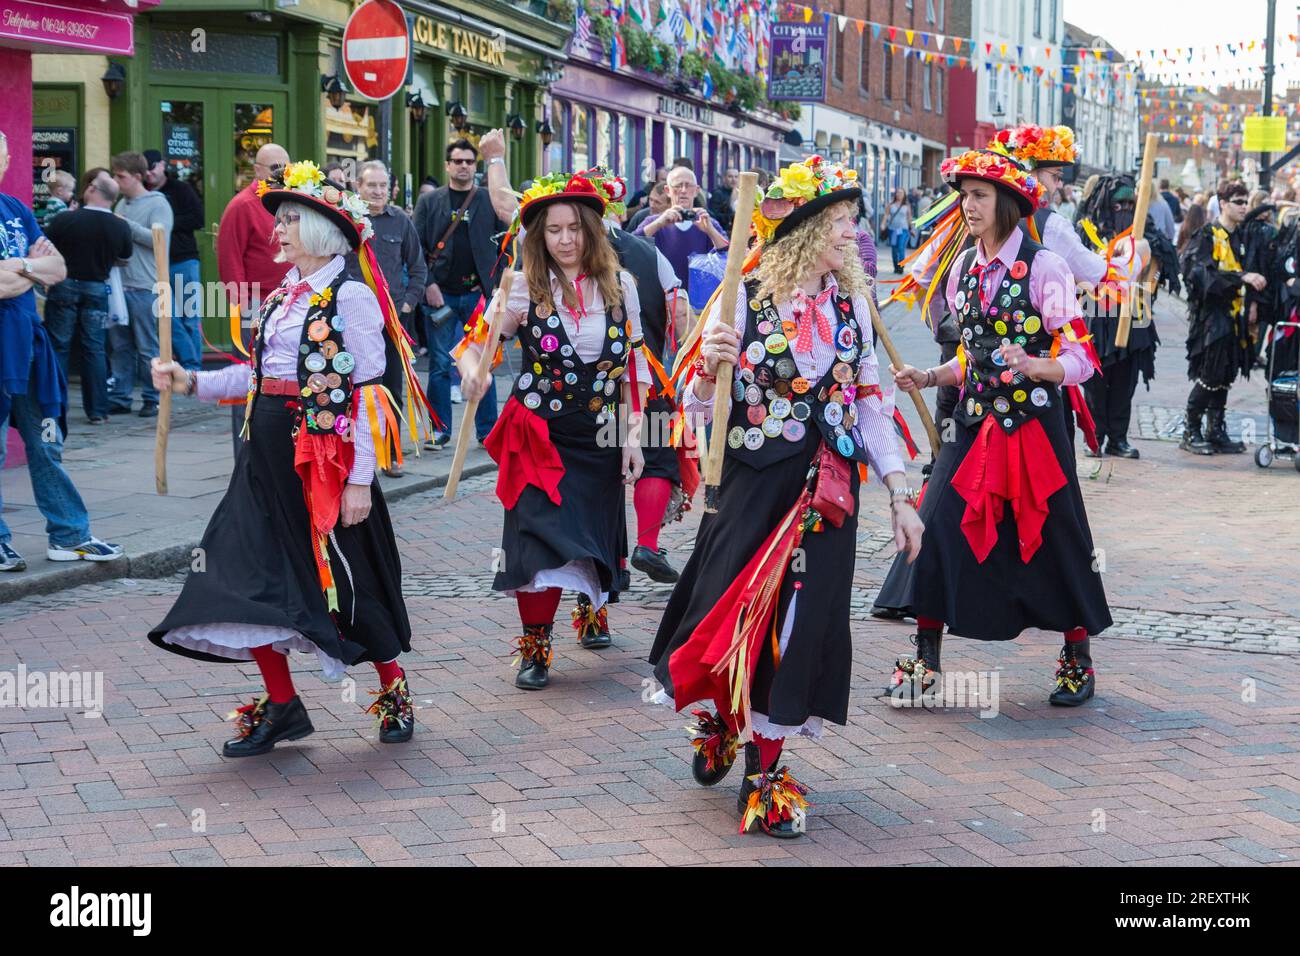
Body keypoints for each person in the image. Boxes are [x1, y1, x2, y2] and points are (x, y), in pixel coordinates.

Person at [650, 157, 922, 839]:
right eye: (840, 224)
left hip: (827, 494)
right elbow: (699, 416)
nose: (852, 236)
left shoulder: (853, 305)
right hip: (751, 488)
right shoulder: (740, 298)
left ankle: (766, 772)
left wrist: (898, 490)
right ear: (801, 231)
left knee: (797, 624)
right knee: (727, 615)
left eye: (852, 224)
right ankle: (719, 719)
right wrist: (709, 377)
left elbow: (870, 406)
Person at [148, 160, 433, 755]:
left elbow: (368, 396)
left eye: (287, 220)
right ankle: (282, 706)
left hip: (323, 465)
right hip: (262, 460)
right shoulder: (282, 295)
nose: (275, 229)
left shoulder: (350, 297)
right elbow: (258, 380)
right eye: (277, 220)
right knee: (235, 574)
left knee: (351, 580)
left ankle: (393, 690)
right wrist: (188, 382)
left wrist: (359, 481)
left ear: (322, 230)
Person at [887, 147, 1111, 709]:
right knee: (934, 529)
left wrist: (1040, 366)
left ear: (1008, 204)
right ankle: (925, 657)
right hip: (975, 421)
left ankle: (1076, 659)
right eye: (964, 196)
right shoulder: (963, 266)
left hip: (1035, 425)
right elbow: (971, 356)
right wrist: (930, 374)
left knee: (1058, 537)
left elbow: (1083, 357)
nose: (967, 206)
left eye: (979, 196)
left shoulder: (1046, 267)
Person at [453, 170, 649, 690]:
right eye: (553, 230)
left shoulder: (621, 286)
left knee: (590, 537)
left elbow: (635, 370)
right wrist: (474, 369)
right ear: (538, 236)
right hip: (539, 434)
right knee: (537, 540)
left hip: (599, 434)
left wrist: (633, 438)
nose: (565, 240)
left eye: (575, 228)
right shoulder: (520, 287)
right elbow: (478, 342)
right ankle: (535, 647)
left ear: (593, 229)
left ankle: (591, 608)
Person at [0, 129, 124, 573]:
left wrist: (22, 268)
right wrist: (29, 270)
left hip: (31, 349)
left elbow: (58, 269)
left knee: (46, 440)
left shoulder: (15, 209)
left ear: (9, 159)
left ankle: (69, 536)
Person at [413, 138, 506, 449]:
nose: (464, 165)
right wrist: (427, 284)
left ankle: (488, 430)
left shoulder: (487, 199)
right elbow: (416, 248)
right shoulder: (430, 202)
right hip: (441, 294)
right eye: (458, 161)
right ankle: (440, 430)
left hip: (479, 295)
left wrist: (495, 282)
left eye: (469, 161)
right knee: (440, 364)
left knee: (482, 364)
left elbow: (505, 243)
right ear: (447, 165)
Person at [346, 159, 427, 478]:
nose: (378, 191)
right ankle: (351, 453)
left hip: (391, 322)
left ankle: (390, 455)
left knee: (391, 387)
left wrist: (407, 305)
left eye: (383, 186)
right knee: (353, 387)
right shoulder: (348, 221)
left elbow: (418, 268)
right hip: (352, 321)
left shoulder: (401, 222)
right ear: (359, 187)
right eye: (371, 185)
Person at [1179, 180, 1263, 455]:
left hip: (1236, 317)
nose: (1243, 207)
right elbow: (1200, 276)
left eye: (1245, 201)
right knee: (1210, 373)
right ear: (1223, 204)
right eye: (1238, 202)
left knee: (1227, 373)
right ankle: (1190, 430)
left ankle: (1216, 429)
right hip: (1212, 319)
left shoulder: (1241, 236)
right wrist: (1241, 278)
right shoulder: (1207, 235)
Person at [43, 171, 133, 425]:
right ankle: (97, 410)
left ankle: (55, 408)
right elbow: (124, 258)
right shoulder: (119, 225)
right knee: (93, 348)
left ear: (92, 189)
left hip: (64, 284)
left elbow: (46, 249)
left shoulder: (65, 220)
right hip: (96, 286)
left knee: (58, 346)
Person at [218, 143, 291, 454]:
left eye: (285, 167)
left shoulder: (290, 200)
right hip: (256, 308)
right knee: (250, 381)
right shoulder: (242, 206)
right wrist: (245, 312)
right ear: (258, 170)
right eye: (273, 168)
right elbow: (229, 262)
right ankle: (244, 456)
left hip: (290, 304)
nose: (280, 173)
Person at [107, 151, 172, 418]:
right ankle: (121, 396)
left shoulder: (158, 203)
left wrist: (124, 226)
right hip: (121, 284)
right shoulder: (121, 203)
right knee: (120, 346)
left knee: (147, 346)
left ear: (137, 177)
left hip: (146, 285)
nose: (116, 181)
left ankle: (152, 396)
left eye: (120, 176)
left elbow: (159, 239)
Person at [144, 149, 206, 372]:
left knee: (190, 316)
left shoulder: (180, 189)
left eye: (152, 168)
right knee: (169, 317)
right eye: (145, 170)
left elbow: (198, 218)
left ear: (162, 165)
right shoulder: (143, 193)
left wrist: (165, 223)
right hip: (155, 263)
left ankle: (194, 369)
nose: (149, 174)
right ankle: (188, 363)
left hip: (183, 259)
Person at [634, 165, 728, 292]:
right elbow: (631, 245)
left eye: (688, 186)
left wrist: (710, 231)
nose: (683, 190)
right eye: (677, 186)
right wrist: (659, 224)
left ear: (696, 190)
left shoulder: (708, 223)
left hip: (698, 300)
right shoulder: (653, 221)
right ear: (667, 190)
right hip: (663, 297)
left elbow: (728, 255)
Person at [886, 189, 911, 272]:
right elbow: (886, 215)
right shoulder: (891, 205)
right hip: (893, 230)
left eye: (901, 193)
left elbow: (909, 218)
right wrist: (882, 224)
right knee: (894, 248)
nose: (899, 194)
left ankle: (901, 266)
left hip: (903, 229)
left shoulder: (906, 205)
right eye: (898, 192)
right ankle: (895, 266)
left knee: (901, 247)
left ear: (904, 195)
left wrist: (911, 228)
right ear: (895, 194)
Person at [709, 166, 740, 232]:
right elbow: (714, 216)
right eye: (730, 177)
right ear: (724, 178)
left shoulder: (740, 193)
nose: (733, 179)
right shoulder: (717, 194)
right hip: (723, 231)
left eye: (736, 177)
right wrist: (731, 205)